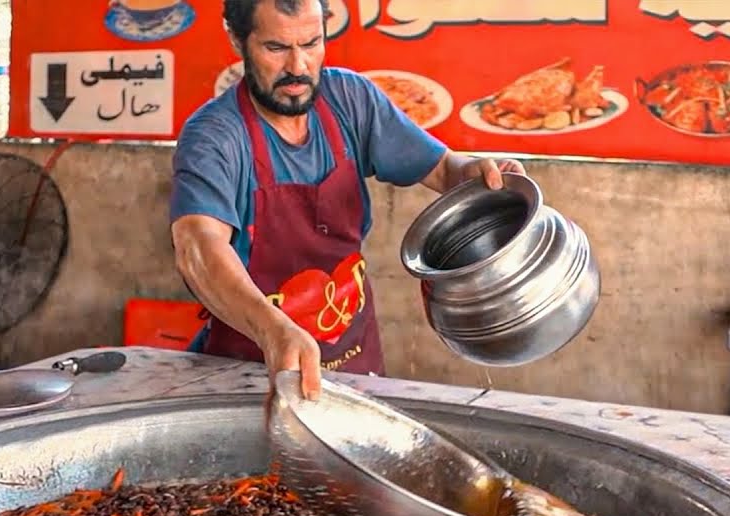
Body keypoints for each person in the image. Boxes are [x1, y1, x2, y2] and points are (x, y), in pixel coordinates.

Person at [169, 0, 525, 400]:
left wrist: (473, 172)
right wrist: (273, 330)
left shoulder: (351, 100)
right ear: (237, 39)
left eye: (312, 43)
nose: (298, 67)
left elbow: (443, 169)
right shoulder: (213, 136)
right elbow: (198, 247)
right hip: (251, 374)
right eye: (276, 48)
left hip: (355, 360)